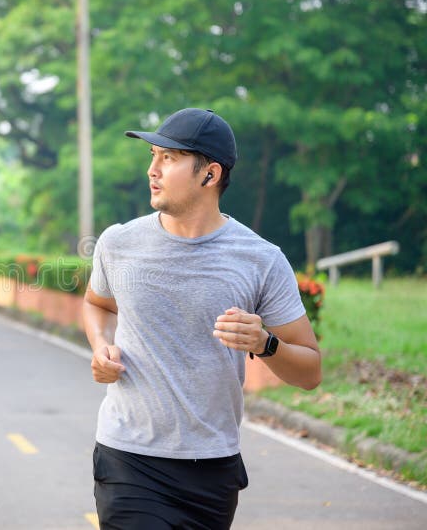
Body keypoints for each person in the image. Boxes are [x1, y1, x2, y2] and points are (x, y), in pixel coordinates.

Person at [83, 107, 321, 529]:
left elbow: (310, 371)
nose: (153, 170)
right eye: (153, 156)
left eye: (169, 158)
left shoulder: (261, 259)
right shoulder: (118, 242)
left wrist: (264, 343)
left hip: (212, 468)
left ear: (210, 174)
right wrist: (102, 347)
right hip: (128, 459)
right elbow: (97, 304)